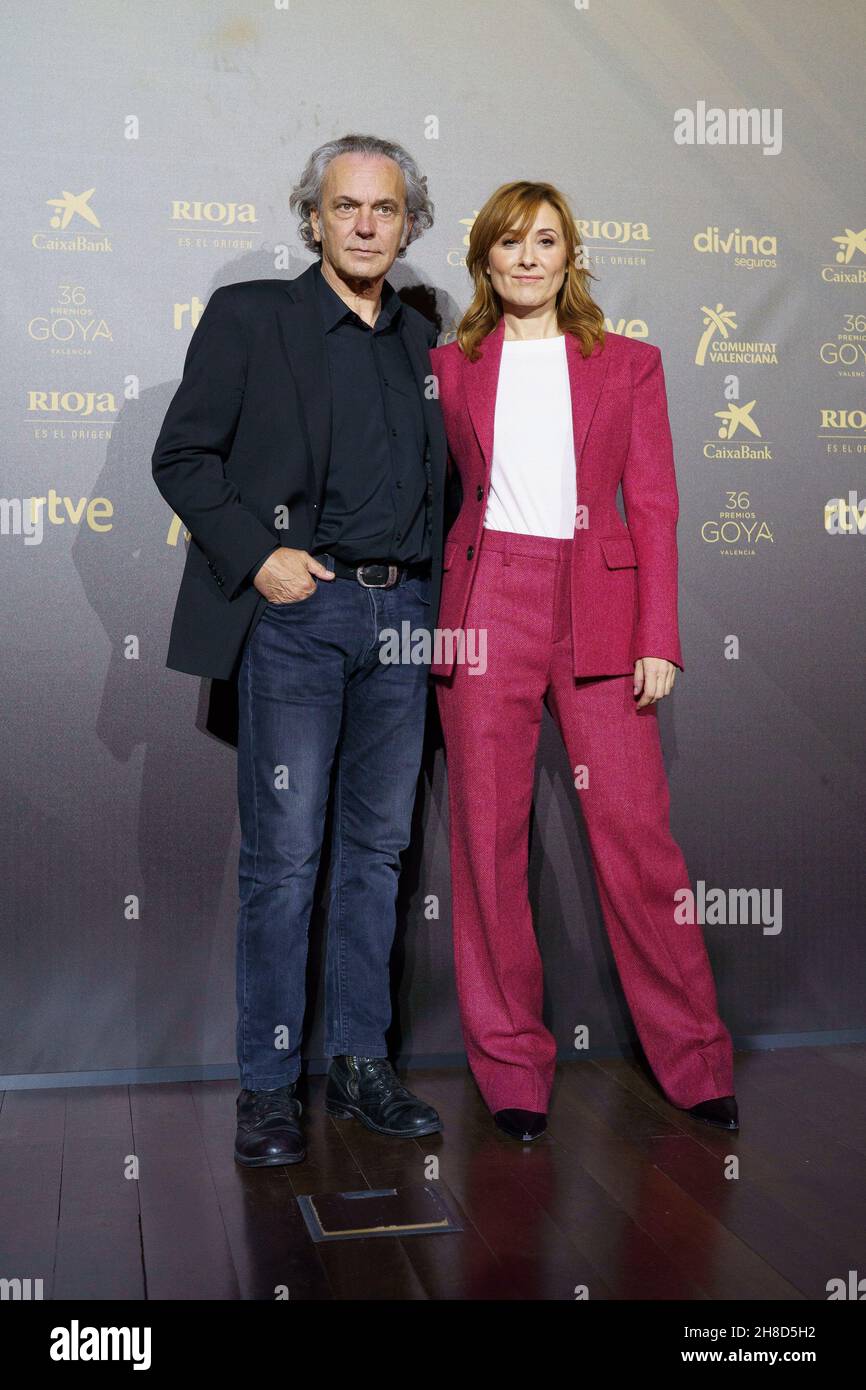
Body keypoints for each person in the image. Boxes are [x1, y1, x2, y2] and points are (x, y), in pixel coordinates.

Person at [152, 134, 449, 1166]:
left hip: (403, 618)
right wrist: (260, 558)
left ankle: (360, 1065)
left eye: (385, 207)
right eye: (345, 206)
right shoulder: (252, 319)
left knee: (375, 854)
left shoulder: (422, 334)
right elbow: (181, 455)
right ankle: (269, 1085)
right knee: (285, 861)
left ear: (408, 221)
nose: (366, 223)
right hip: (299, 616)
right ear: (312, 216)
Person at [430, 180, 738, 1142]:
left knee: (639, 841)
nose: (528, 258)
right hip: (487, 604)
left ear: (572, 255)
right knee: (486, 843)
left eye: (547, 241)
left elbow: (654, 505)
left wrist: (659, 636)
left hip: (600, 607)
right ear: (484, 258)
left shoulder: (630, 363)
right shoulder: (449, 364)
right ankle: (513, 1063)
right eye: (510, 243)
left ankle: (694, 1059)